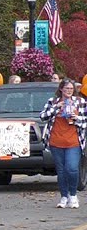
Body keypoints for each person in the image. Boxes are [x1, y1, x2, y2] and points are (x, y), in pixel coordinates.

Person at [40, 78, 87, 208]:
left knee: (71, 168)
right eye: (66, 88)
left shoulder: (80, 102)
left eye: (71, 89)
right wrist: (56, 108)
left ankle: (73, 195)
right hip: (56, 141)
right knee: (61, 171)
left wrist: (76, 118)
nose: (69, 91)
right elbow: (43, 116)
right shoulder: (53, 101)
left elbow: (85, 121)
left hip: (74, 141)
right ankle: (63, 196)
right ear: (61, 89)